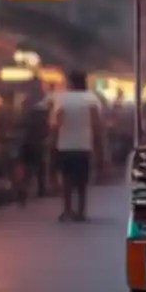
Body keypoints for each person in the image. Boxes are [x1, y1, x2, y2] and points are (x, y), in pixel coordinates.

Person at [51, 70, 104, 222]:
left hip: (65, 145)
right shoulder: (91, 98)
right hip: (84, 145)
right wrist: (100, 148)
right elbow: (96, 125)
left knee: (66, 179)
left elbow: (57, 123)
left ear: (70, 82)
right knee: (82, 180)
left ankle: (67, 210)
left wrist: (53, 143)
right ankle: (81, 211)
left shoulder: (62, 99)